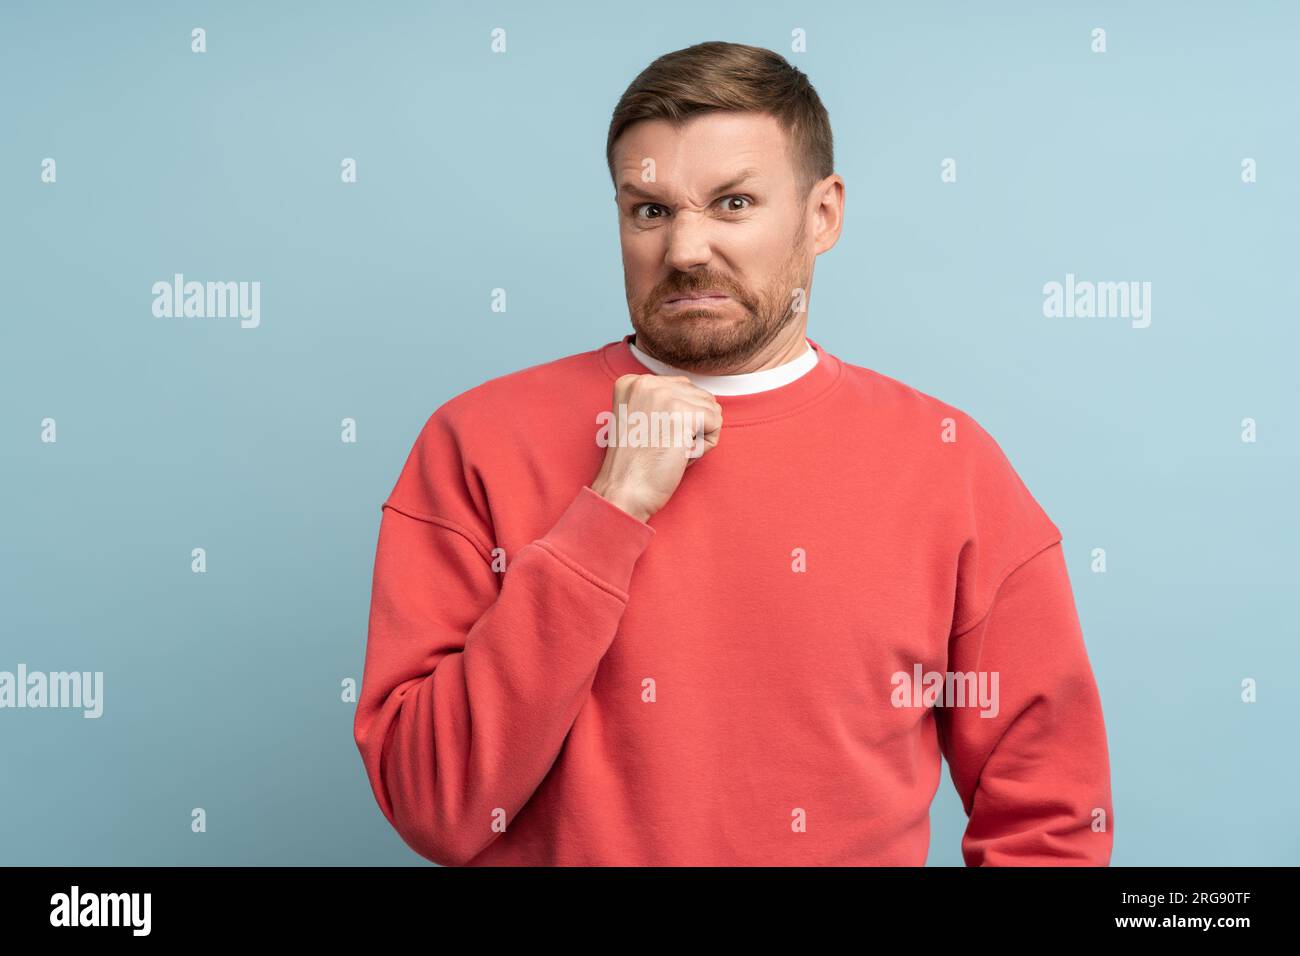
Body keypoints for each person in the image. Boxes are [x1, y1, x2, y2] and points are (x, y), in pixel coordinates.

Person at [352, 40, 1113, 866]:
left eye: (733, 204)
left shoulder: (949, 463)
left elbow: (1050, 819)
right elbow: (434, 805)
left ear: (822, 215)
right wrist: (607, 512)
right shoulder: (477, 441)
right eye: (650, 210)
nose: (684, 250)